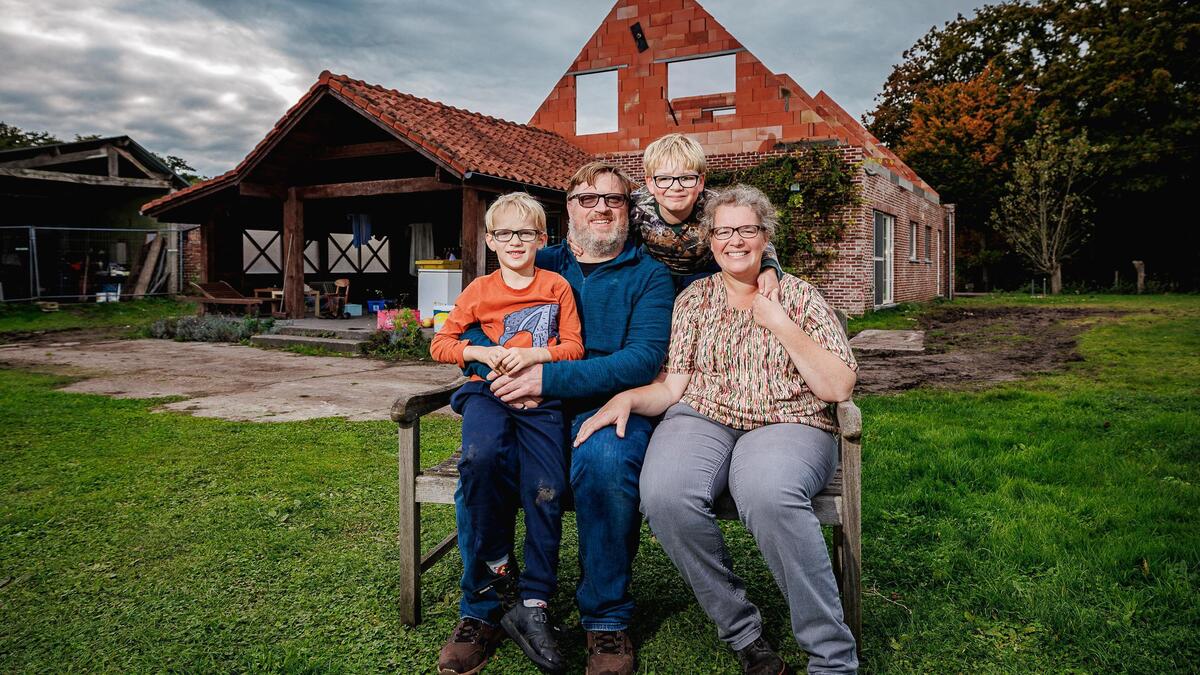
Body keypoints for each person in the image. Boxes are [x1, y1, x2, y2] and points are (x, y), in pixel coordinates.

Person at [575, 185, 860, 674]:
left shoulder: (799, 296)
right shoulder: (694, 299)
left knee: (768, 493)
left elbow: (837, 386)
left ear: (765, 237)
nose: (735, 241)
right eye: (723, 231)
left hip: (788, 420)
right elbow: (674, 386)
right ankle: (743, 632)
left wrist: (779, 322)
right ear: (709, 241)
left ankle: (831, 657)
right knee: (664, 494)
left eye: (747, 229)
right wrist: (629, 398)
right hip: (703, 416)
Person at [437, 163, 674, 675]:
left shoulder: (649, 275)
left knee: (606, 465)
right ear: (568, 209)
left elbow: (642, 359)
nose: (601, 208)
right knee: (482, 464)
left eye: (613, 199)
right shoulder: (538, 261)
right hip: (521, 401)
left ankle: (605, 618)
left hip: (607, 401)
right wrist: (494, 366)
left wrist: (546, 379)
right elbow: (472, 327)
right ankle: (483, 607)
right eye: (588, 198)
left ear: (628, 210)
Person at [430, 192, 585, 673]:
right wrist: (480, 353)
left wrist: (535, 356)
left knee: (547, 488)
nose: (515, 241)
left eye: (525, 233)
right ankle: (496, 564)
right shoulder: (479, 290)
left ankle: (535, 598)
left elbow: (573, 347)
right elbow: (442, 342)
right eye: (504, 233)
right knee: (477, 459)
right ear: (490, 240)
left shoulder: (556, 286)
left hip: (541, 402)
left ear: (542, 238)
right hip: (486, 394)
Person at [624, 132, 783, 295]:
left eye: (686, 178)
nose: (676, 187)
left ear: (700, 181)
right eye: (664, 179)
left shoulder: (716, 207)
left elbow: (754, 236)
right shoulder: (636, 206)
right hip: (657, 274)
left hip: (706, 273)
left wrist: (769, 269)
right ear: (650, 183)